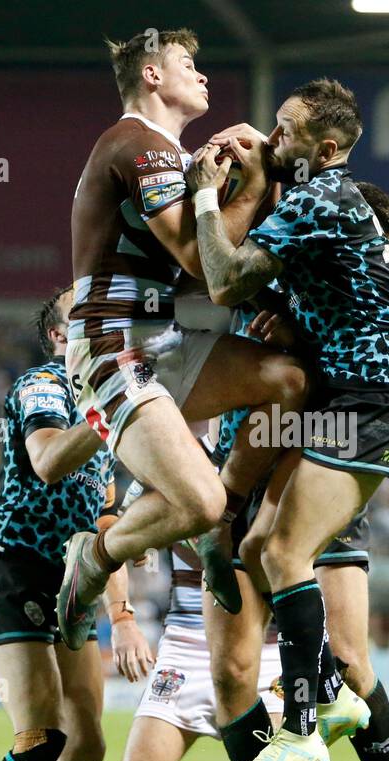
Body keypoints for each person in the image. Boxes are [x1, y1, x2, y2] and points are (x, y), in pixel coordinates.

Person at [188, 78, 389, 761]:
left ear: (326, 150)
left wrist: (206, 194)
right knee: (264, 546)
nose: (273, 139)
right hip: (350, 400)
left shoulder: (323, 198)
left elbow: (226, 281)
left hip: (379, 403)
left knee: (286, 549)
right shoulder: (312, 205)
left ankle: (300, 731)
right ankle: (329, 696)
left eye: (288, 132)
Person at [58, 28, 310, 639]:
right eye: (188, 65)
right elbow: (203, 262)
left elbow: (203, 271)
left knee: (288, 379)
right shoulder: (137, 144)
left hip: (162, 338)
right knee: (199, 500)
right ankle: (96, 556)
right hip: (112, 344)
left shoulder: (168, 154)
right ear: (151, 75)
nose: (203, 77)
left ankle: (220, 526)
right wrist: (247, 189)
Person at [0, 288, 131, 761]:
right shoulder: (44, 385)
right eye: (81, 315)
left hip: (72, 584)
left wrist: (124, 616)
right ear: (61, 338)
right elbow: (47, 460)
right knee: (42, 738)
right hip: (13, 570)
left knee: (86, 745)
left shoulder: (106, 411)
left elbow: (107, 522)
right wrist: (112, 406)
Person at [91, 467, 302, 761]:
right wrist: (121, 619)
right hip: (189, 644)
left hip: (265, 645)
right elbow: (110, 531)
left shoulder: (281, 450)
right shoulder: (174, 458)